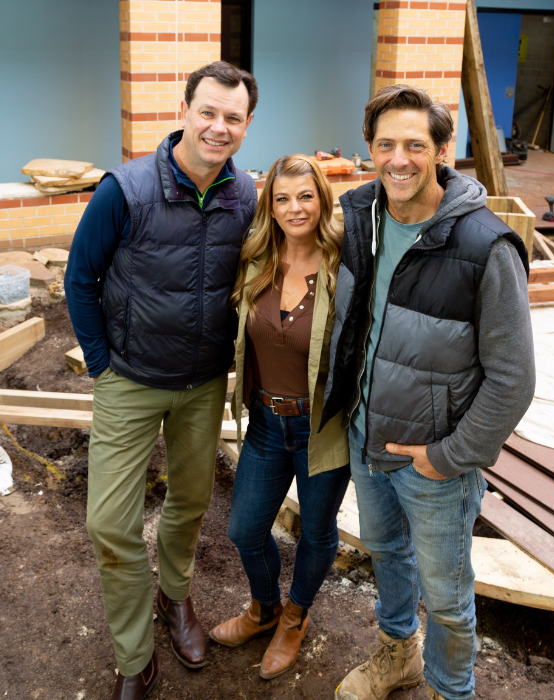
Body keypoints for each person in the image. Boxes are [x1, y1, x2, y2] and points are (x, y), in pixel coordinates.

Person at [320, 85, 535, 700]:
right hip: (368, 440)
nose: (399, 159)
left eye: (415, 145)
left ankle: (450, 687)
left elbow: (514, 378)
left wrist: (449, 456)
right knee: (387, 555)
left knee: (445, 595)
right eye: (385, 144)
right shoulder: (361, 217)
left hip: (434, 462)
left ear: (443, 150)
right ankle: (399, 655)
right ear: (369, 148)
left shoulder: (485, 247)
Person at [64, 61, 258, 700]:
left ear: (246, 125)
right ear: (184, 111)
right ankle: (133, 655)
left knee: (191, 501)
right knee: (109, 524)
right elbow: (80, 278)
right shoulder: (126, 190)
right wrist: (101, 363)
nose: (219, 127)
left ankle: (176, 598)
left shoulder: (246, 195)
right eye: (208, 112)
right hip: (130, 378)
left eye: (233, 117)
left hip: (202, 384)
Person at [209, 154, 351, 679]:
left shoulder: (343, 268)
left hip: (322, 428)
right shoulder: (256, 261)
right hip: (267, 424)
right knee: (244, 530)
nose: (295, 208)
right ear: (270, 207)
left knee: (316, 531)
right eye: (283, 198)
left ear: (322, 201)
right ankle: (265, 607)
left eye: (306, 196)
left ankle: (295, 616)